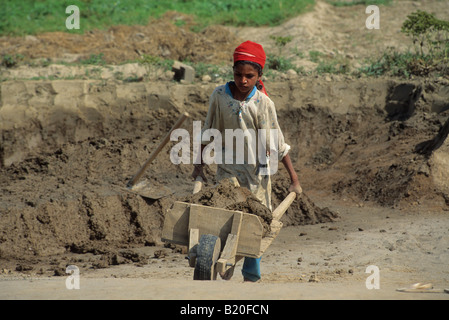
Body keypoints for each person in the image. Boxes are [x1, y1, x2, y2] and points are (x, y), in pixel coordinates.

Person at [192, 40, 302, 282]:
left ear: (259, 75)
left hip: (256, 175)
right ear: (232, 72)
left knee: (255, 225)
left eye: (249, 76)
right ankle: (224, 259)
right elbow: (208, 131)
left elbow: (278, 145)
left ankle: (250, 276)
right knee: (224, 218)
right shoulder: (219, 96)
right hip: (227, 172)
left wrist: (294, 179)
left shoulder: (263, 104)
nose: (243, 81)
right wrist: (198, 166)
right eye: (238, 74)